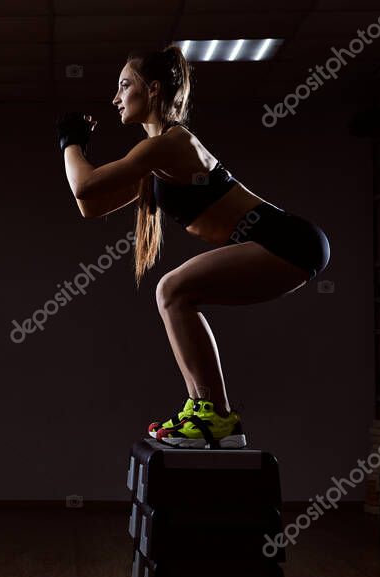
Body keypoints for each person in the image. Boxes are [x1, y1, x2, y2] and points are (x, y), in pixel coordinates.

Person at [57, 45, 330, 449]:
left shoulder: (170, 144)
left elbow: (84, 183)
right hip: (285, 245)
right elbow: (90, 205)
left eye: (124, 86)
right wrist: (73, 147)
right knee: (177, 295)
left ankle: (214, 414)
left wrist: (70, 142)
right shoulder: (155, 161)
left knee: (172, 290)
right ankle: (206, 411)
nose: (115, 98)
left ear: (151, 90)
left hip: (289, 240)